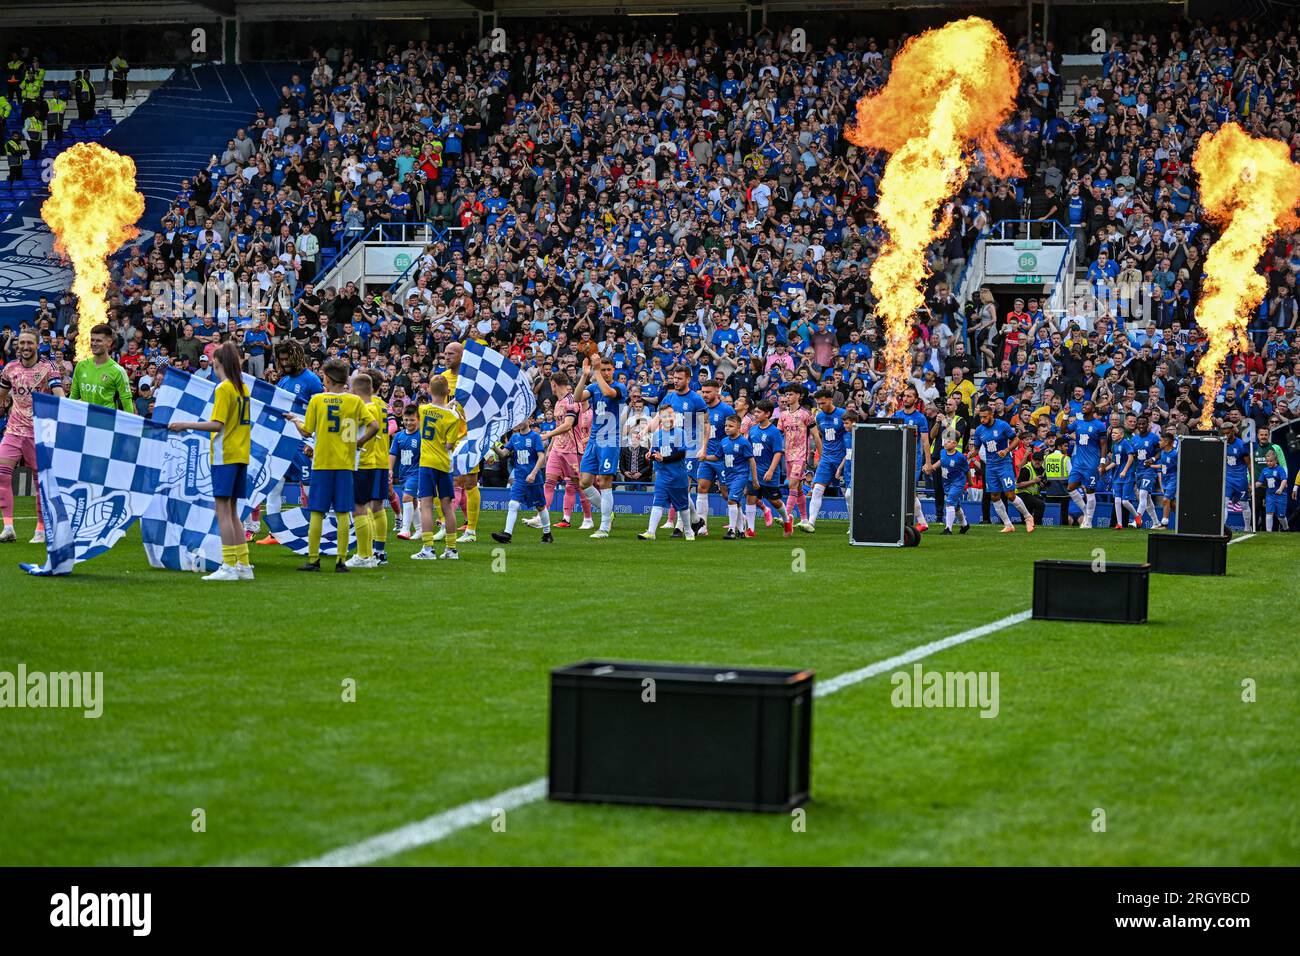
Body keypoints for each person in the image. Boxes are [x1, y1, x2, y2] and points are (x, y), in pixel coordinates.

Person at [166, 342, 252, 581]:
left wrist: (185, 424)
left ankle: (228, 565)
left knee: (223, 511)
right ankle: (243, 563)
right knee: (233, 512)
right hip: (240, 453)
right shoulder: (243, 387)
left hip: (225, 454)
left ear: (218, 364)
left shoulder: (224, 388)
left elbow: (217, 425)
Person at [285, 358, 379, 572]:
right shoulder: (354, 402)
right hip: (345, 464)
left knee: (317, 512)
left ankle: (313, 559)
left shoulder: (317, 400)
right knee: (343, 513)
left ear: (326, 378)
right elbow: (374, 426)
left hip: (322, 464)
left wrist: (294, 420)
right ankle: (341, 561)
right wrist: (359, 443)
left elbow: (307, 431)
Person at [255, 340, 322, 544]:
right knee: (275, 486)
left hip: (304, 444)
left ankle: (317, 530)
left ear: (297, 357)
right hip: (283, 443)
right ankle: (275, 533)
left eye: (287, 359)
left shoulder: (311, 380)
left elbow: (320, 412)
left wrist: (314, 442)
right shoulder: (283, 381)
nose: (284, 363)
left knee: (310, 489)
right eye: (281, 359)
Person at [0, 329, 63, 544]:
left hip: (39, 432)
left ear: (37, 345)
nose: (25, 347)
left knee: (40, 483)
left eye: (29, 343)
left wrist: (65, 408)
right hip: (14, 429)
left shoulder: (48, 367)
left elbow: (58, 393)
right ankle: (8, 527)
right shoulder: (10, 368)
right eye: (22, 343)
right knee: (1, 475)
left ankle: (40, 529)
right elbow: (2, 394)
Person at [573, 354, 627, 539]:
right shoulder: (594, 386)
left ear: (614, 370)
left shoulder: (620, 387)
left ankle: (604, 527)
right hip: (594, 440)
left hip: (610, 441)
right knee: (585, 482)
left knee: (604, 482)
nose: (604, 372)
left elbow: (608, 394)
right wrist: (584, 375)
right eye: (602, 369)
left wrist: (596, 371)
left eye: (607, 369)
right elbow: (577, 397)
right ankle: (608, 513)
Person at [530, 370, 593, 529]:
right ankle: (541, 517)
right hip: (558, 449)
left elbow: (567, 425)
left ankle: (588, 518)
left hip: (573, 449)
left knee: (579, 485)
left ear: (553, 384)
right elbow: (560, 427)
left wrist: (547, 435)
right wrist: (551, 446)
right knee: (549, 482)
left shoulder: (571, 401)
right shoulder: (558, 403)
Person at [411, 375, 462, 560]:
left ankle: (428, 549)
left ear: (430, 391)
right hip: (444, 464)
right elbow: (449, 445)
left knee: (425, 505)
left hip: (427, 463)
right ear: (448, 392)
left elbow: (434, 413)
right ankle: (451, 549)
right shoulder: (453, 417)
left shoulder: (422, 409)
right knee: (447, 507)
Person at [654, 364, 709, 533]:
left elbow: (706, 424)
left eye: (679, 378)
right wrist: (646, 431)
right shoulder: (669, 398)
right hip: (672, 447)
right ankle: (695, 520)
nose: (675, 381)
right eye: (674, 378)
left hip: (691, 447)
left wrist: (704, 448)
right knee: (676, 487)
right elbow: (659, 418)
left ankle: (680, 525)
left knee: (683, 487)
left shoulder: (696, 399)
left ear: (688, 379)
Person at [345, 371, 390, 568]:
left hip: (366, 459)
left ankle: (366, 553)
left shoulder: (366, 407)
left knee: (364, 507)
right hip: (379, 458)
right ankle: (377, 550)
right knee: (375, 506)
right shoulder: (382, 404)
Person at [972, 402, 1035, 533]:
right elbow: (977, 449)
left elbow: (1017, 440)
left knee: (1010, 494)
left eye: (984, 417)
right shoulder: (979, 430)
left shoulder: (1002, 425)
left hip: (1004, 464)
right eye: (980, 417)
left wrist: (1006, 450)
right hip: (990, 466)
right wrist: (970, 455)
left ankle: (1028, 517)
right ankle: (1008, 524)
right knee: (994, 496)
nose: (982, 420)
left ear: (992, 415)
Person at [440, 341, 480, 543]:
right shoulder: (441, 379)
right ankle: (443, 524)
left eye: (451, 354)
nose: (446, 357)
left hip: (469, 436)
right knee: (448, 481)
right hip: (448, 437)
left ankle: (471, 530)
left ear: (462, 356)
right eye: (445, 354)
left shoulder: (472, 379)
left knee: (470, 482)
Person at [490, 418, 553, 544]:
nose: (518, 423)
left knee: (540, 506)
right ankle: (507, 534)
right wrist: (493, 445)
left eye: (521, 420)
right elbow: (503, 454)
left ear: (528, 421)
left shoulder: (535, 437)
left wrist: (534, 473)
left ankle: (547, 533)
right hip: (519, 478)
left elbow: (542, 457)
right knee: (513, 504)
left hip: (533, 479)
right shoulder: (514, 438)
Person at [639, 405, 694, 541]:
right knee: (657, 502)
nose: (667, 418)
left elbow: (681, 454)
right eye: (664, 416)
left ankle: (688, 530)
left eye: (670, 415)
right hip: (662, 475)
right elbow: (655, 453)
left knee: (683, 506)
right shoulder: (657, 434)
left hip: (678, 475)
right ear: (660, 419)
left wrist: (663, 458)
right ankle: (651, 532)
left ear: (674, 417)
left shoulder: (680, 433)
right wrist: (650, 455)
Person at [691, 378, 735, 537]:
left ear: (717, 391)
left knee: (726, 493)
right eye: (703, 392)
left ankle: (739, 521)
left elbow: (734, 432)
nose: (705, 395)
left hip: (722, 457)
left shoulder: (727, 410)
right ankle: (702, 526)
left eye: (708, 392)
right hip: (706, 456)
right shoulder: (700, 410)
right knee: (702, 487)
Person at [798, 389, 845, 534]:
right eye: (818, 404)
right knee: (817, 489)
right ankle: (811, 522)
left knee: (850, 493)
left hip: (844, 457)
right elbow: (821, 435)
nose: (821, 406)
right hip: (827, 457)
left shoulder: (843, 415)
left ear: (831, 400)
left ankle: (853, 525)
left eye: (823, 403)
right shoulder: (819, 417)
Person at [747, 399, 793, 536]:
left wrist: (771, 470)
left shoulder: (774, 432)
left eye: (758, 412)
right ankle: (750, 529)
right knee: (750, 498)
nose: (755, 414)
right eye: (755, 411)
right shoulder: (753, 430)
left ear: (767, 414)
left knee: (774, 501)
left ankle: (786, 519)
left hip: (768, 472)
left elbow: (778, 452)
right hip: (754, 472)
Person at [891, 384, 932, 532]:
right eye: (904, 396)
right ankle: (921, 522)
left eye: (909, 396)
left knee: (909, 489)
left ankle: (920, 521)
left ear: (915, 399)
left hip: (913, 459)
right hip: (898, 458)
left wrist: (928, 462)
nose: (905, 398)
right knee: (905, 491)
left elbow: (926, 441)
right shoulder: (896, 416)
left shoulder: (920, 418)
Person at [1065, 400, 1108, 528]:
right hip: (1078, 463)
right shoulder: (1077, 422)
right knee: (1070, 488)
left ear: (1093, 409)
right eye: (1083, 405)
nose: (1084, 406)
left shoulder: (1099, 425)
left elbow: (1103, 444)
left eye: (1087, 405)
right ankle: (1086, 512)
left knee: (1090, 491)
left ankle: (1088, 521)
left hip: (1092, 463)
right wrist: (1066, 415)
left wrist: (1102, 462)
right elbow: (1063, 430)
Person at [68, 323, 132, 409]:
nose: (94, 343)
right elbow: (73, 397)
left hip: (106, 420)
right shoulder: (81, 366)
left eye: (98, 340)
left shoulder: (118, 371)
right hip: (85, 420)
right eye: (92, 340)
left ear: (109, 342)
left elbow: (127, 403)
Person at [713, 414, 757, 539]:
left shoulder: (744, 442)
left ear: (738, 427)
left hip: (741, 475)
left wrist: (754, 479)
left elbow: (752, 461)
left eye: (730, 426)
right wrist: (704, 457)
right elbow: (717, 457)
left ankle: (731, 530)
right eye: (726, 426)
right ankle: (742, 531)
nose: (727, 428)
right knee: (735, 502)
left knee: (731, 500)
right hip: (729, 476)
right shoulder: (724, 441)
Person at [778, 385, 816, 525]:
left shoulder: (806, 414)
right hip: (788, 455)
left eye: (791, 394)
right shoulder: (783, 415)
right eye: (786, 395)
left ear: (799, 396)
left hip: (801, 455)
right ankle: (804, 519)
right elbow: (778, 434)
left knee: (792, 484)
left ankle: (786, 516)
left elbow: (816, 434)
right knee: (798, 488)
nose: (788, 397)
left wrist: (820, 451)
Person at [926, 430, 971, 534]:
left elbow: (967, 470)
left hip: (958, 483)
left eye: (949, 441)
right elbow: (941, 461)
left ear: (955, 444)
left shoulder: (960, 457)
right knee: (956, 506)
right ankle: (964, 525)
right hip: (947, 483)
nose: (945, 442)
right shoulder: (942, 452)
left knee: (950, 502)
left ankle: (948, 529)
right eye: (945, 440)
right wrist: (932, 467)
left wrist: (970, 482)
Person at [390, 405, 422, 539]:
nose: (409, 423)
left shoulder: (421, 436)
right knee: (413, 501)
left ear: (418, 420)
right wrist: (390, 469)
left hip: (416, 473)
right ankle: (420, 529)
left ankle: (405, 529)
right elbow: (392, 453)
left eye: (412, 420)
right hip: (403, 474)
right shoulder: (398, 437)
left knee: (407, 497)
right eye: (406, 420)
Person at [1104, 425, 1141, 529]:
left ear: (1121, 434)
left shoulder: (1125, 443)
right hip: (1117, 476)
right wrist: (1104, 469)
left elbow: (1131, 458)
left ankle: (1137, 516)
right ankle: (1119, 524)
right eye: (1112, 433)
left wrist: (1124, 470)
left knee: (1125, 501)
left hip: (1127, 476)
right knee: (1116, 500)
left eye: (1115, 433)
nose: (1113, 435)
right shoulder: (1115, 446)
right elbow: (1115, 461)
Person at [1130, 415, 1163, 529]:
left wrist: (1153, 459)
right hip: (1139, 471)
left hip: (1150, 470)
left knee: (1143, 494)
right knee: (1147, 500)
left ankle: (1137, 520)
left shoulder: (1154, 437)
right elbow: (1132, 456)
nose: (1141, 426)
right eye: (1139, 424)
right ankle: (1156, 523)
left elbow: (1161, 450)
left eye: (1143, 424)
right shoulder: (1134, 439)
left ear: (1148, 424)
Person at [1256, 450, 1289, 532]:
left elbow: (1284, 480)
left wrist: (1280, 489)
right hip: (1270, 495)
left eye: (1271, 461)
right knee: (1269, 513)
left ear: (1276, 460)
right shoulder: (1265, 470)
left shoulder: (1280, 469)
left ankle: (1286, 528)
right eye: (1267, 461)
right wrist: (1252, 486)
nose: (1269, 463)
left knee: (1280, 516)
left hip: (1281, 495)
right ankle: (1269, 532)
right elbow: (1260, 482)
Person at [1155, 432, 1179, 529]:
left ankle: (1164, 524)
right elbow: (1163, 466)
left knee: (1165, 500)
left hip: (1173, 479)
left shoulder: (1175, 454)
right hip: (1165, 479)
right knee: (1172, 503)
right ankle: (1184, 520)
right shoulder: (1162, 453)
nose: (1159, 442)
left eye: (1160, 440)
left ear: (1166, 442)